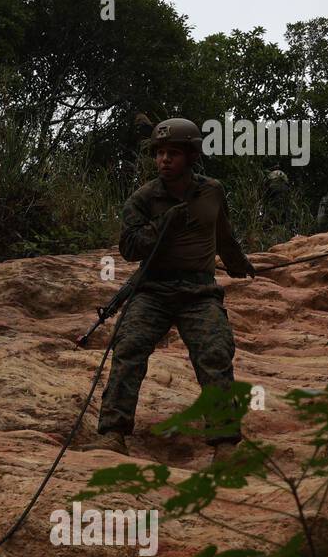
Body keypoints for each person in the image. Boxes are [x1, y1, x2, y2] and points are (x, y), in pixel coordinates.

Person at [88, 117, 256, 463]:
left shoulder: (212, 190)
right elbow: (130, 248)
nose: (164, 159)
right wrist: (164, 223)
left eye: (173, 153)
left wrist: (239, 263)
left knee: (214, 352)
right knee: (129, 347)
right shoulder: (143, 199)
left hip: (199, 291)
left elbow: (223, 233)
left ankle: (225, 443)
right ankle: (113, 433)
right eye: (160, 153)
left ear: (191, 156)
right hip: (153, 289)